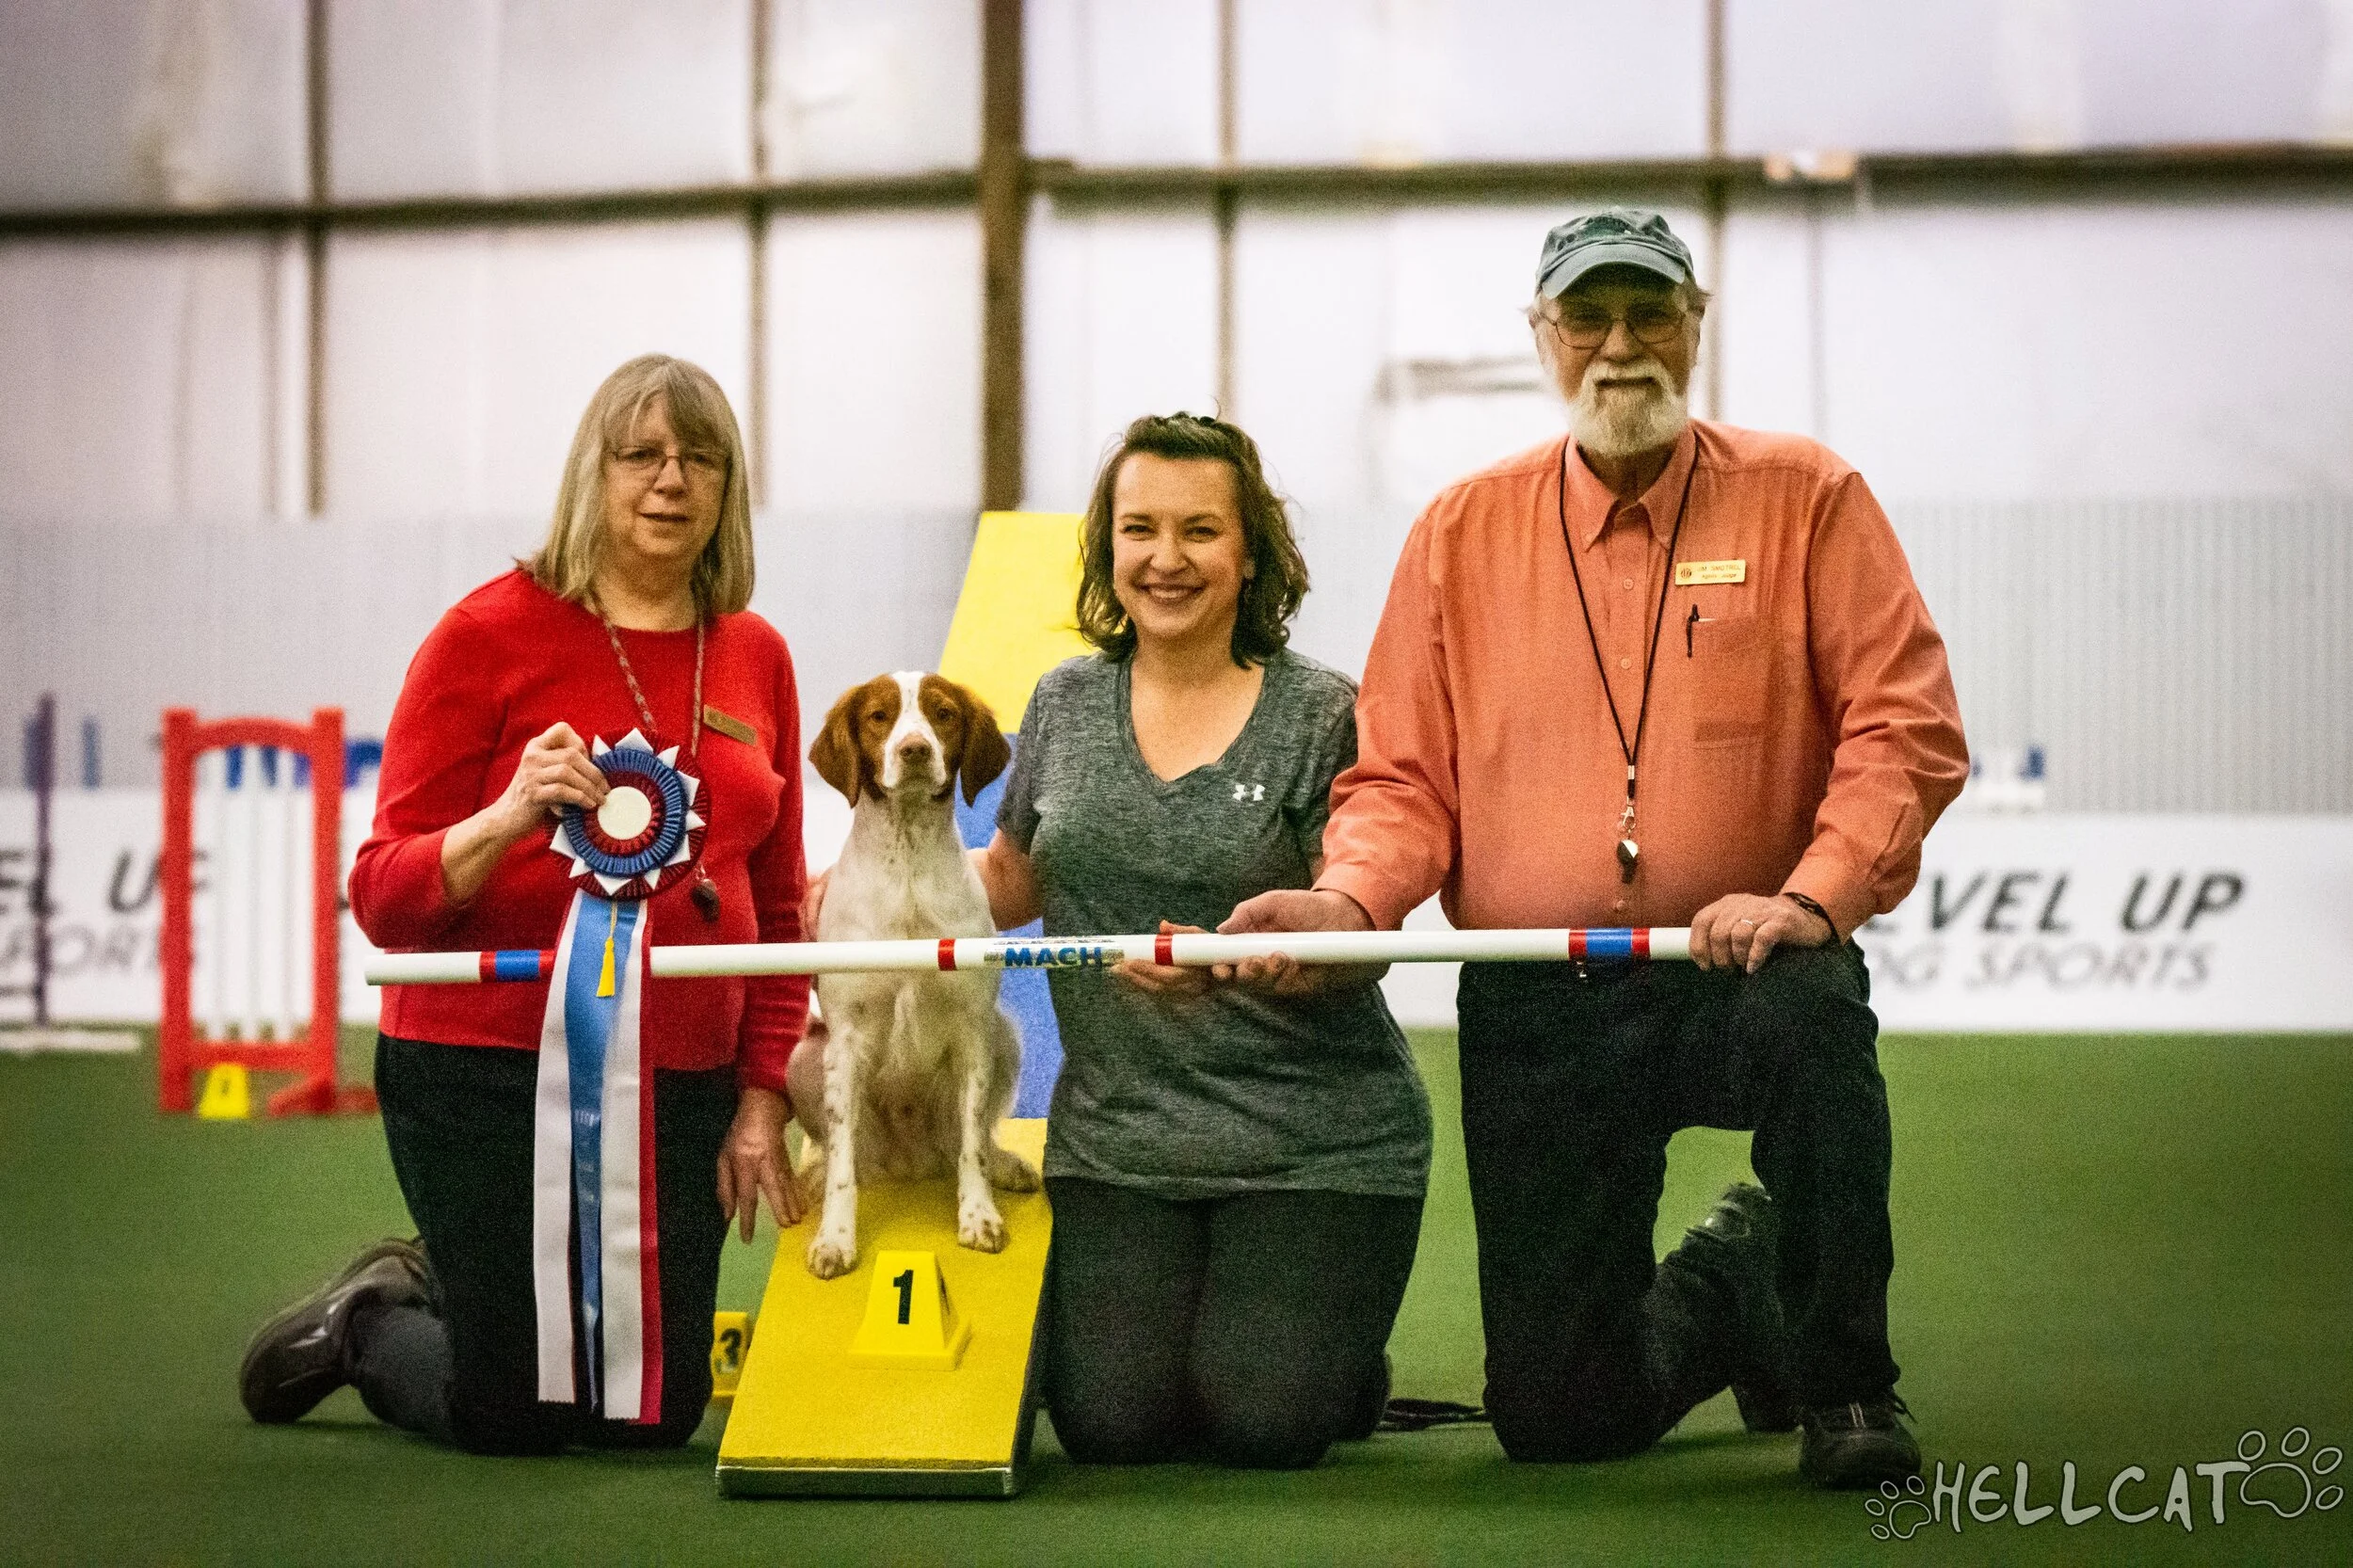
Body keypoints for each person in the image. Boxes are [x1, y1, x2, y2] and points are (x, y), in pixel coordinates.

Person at [1224, 210, 1968, 1488]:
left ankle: (1850, 1385)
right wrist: (1350, 899)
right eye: (1587, 316)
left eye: (1649, 311)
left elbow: (1906, 728)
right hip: (1539, 989)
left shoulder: (1812, 497)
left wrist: (1814, 894)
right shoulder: (1460, 532)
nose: (1620, 344)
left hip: (1740, 963)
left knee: (1813, 1019)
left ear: (1697, 320)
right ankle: (1738, 1281)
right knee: (1560, 1418)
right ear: (1543, 335)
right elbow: (1402, 779)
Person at [805, 413, 1432, 1469]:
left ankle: (1329, 1358)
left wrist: (1251, 955)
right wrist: (851, 895)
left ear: (1251, 555)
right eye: (1138, 529)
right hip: (1124, 1138)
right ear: (1107, 549)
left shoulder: (1320, 712)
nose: (1166, 558)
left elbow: (1360, 930)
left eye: (1199, 531)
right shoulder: (1064, 700)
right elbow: (1011, 874)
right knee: (1108, 1426)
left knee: (1263, 1423)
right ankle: (1264, 1335)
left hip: (1309, 1138)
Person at [239, 354, 809, 1454]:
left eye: (701, 459)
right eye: (640, 454)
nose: (670, 481)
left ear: (729, 489)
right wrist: (503, 819)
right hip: (483, 1074)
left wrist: (761, 1097)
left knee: (654, 1416)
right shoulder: (485, 633)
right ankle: (369, 1322)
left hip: (679, 1084)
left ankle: (476, 1304)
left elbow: (778, 910)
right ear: (590, 475)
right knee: (513, 1409)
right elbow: (382, 895)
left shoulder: (756, 655)